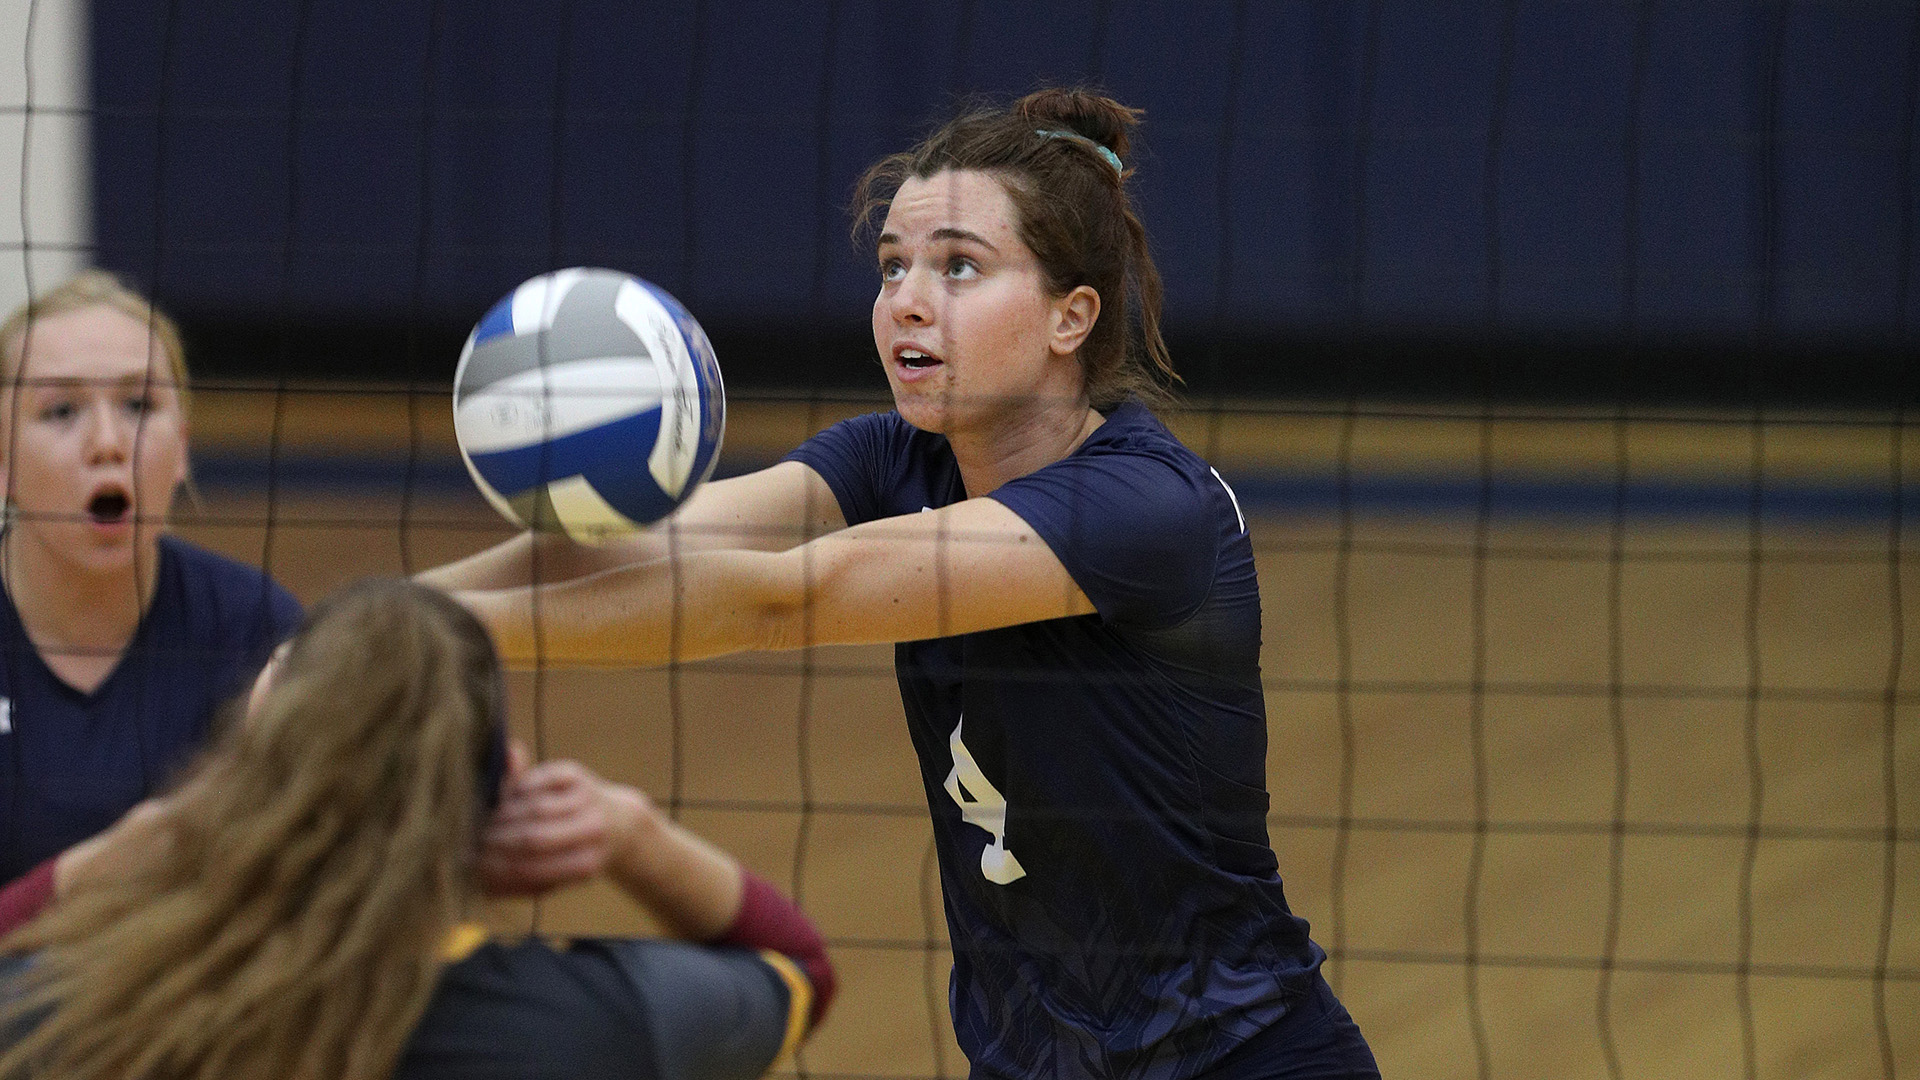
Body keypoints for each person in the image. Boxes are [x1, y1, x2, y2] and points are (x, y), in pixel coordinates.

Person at [422, 88, 1376, 1079]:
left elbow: (777, 599)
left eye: (959, 266)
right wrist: (387, 616)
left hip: (1240, 1058)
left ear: (1070, 316)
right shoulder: (895, 459)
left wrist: (428, 640)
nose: (908, 300)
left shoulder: (1140, 507)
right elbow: (646, 538)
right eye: (893, 266)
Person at [0, 577, 834, 1080]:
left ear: (251, 774)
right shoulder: (590, 1027)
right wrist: (633, 836)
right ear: (499, 790)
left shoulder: (85, 1007)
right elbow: (799, 969)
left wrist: (119, 858)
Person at [0, 270, 302, 884]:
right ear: (0, 462)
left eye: (139, 406)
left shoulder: (253, 625)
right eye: (60, 410)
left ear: (183, 449)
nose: (110, 443)